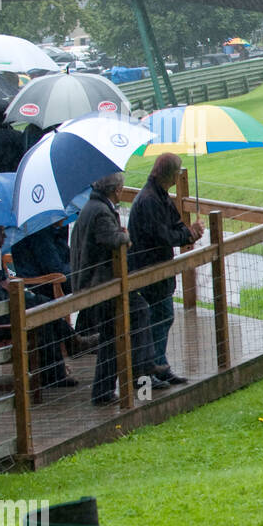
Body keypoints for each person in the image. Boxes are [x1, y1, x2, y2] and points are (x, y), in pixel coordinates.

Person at [70, 171, 157, 405]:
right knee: (139, 311)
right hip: (101, 285)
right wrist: (124, 236)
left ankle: (103, 391)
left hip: (96, 283)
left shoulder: (93, 206)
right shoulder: (99, 210)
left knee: (110, 338)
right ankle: (144, 364)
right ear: (116, 190)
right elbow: (112, 239)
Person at [127, 153, 205, 387]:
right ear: (170, 174)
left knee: (163, 316)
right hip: (148, 270)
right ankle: (147, 372)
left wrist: (189, 231)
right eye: (178, 171)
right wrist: (186, 235)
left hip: (160, 270)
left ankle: (159, 367)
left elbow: (175, 224)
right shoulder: (149, 199)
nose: (179, 175)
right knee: (155, 318)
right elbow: (161, 235)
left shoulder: (160, 196)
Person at [0, 227, 75, 388]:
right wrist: (5, 289)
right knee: (37, 310)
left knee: (39, 307)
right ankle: (66, 353)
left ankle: (56, 369)